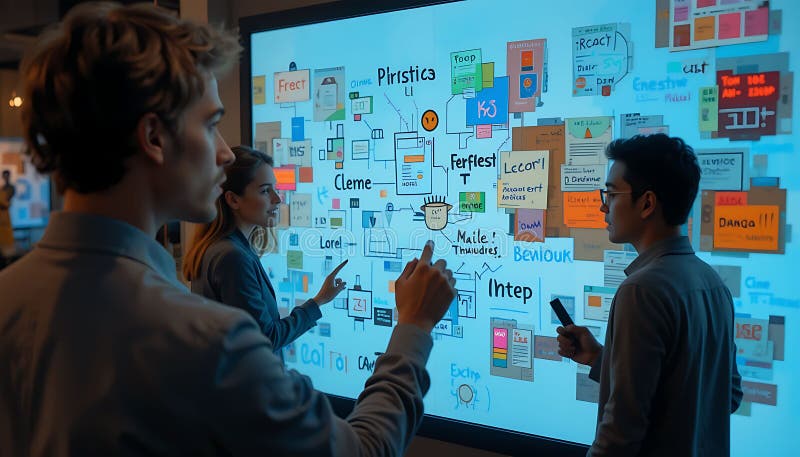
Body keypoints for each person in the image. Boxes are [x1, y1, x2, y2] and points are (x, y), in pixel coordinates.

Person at [0, 3, 456, 456]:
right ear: (154, 137)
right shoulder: (207, 344)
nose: (223, 153)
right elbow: (365, 451)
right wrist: (414, 326)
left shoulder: (10, 298)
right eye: (211, 124)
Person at [557, 134, 743, 456]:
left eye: (611, 194)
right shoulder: (713, 284)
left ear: (647, 203)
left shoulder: (641, 291)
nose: (603, 206)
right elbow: (729, 395)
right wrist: (602, 359)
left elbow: (620, 435)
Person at [183, 145, 347, 359]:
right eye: (265, 190)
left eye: (274, 189)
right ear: (233, 200)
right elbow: (265, 338)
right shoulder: (231, 257)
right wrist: (318, 302)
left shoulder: (223, 248)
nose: (277, 199)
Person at [0, 169, 15, 258]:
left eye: (7, 175)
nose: (6, 177)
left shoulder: (11, 188)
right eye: (4, 175)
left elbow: (6, 202)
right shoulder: (2, 188)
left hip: (5, 217)